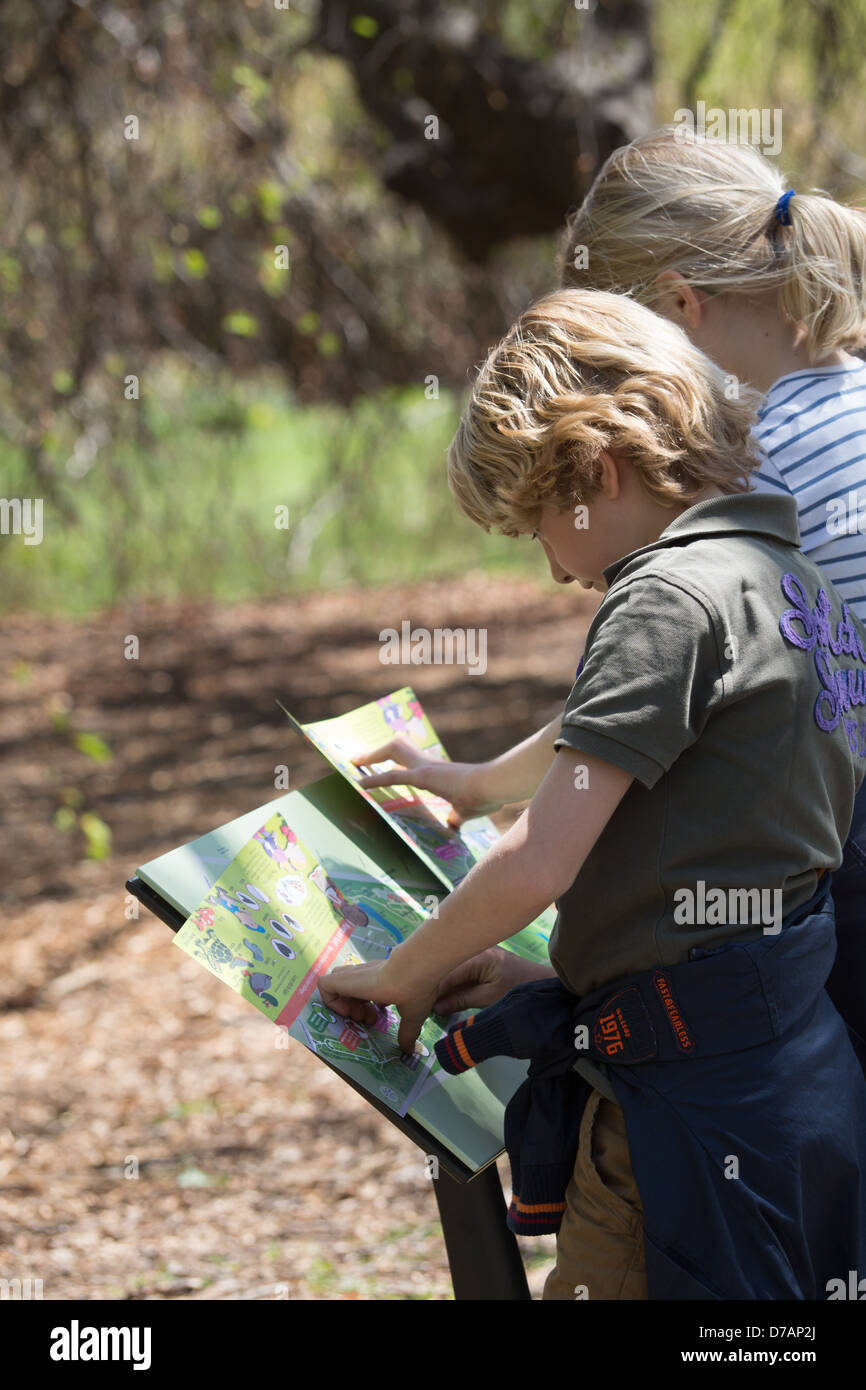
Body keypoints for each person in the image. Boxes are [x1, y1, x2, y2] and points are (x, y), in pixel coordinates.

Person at [319, 288, 866, 1299]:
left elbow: (539, 853)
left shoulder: (661, 595)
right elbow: (729, 865)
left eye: (536, 528)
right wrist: (559, 986)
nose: (553, 569)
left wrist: (403, 972)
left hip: (680, 1124)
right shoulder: (791, 582)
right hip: (791, 1079)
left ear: (593, 471)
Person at [346, 127, 866, 1065]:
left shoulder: (759, 473)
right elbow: (648, 703)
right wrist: (483, 786)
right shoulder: (843, 412)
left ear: (678, 311)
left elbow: (665, 692)